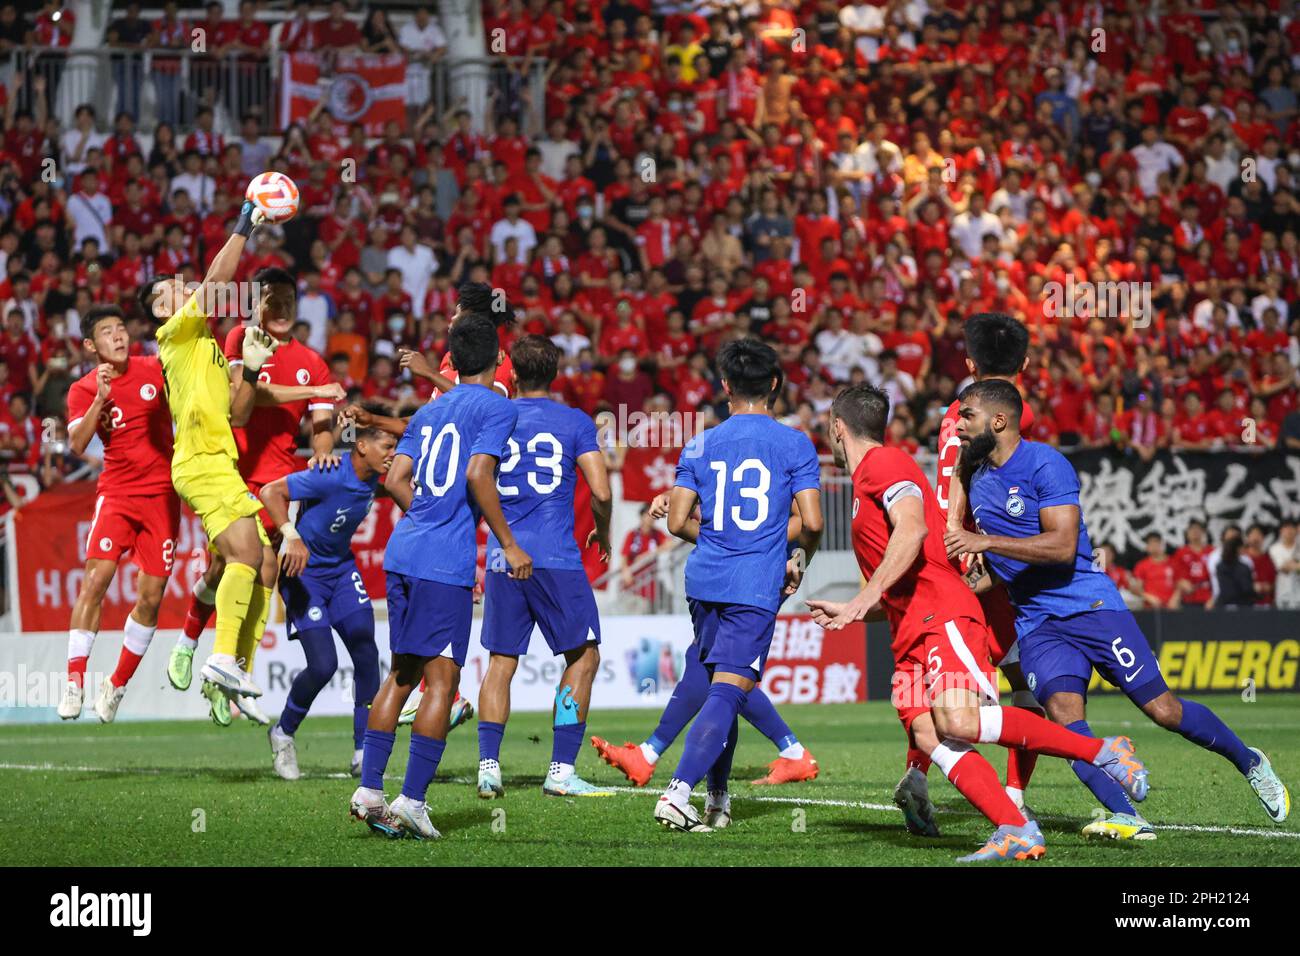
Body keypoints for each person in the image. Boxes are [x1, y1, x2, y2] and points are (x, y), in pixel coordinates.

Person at [810, 384, 1147, 862]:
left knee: (959, 721)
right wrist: (861, 608)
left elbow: (913, 528)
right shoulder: (865, 482)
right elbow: (903, 569)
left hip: (939, 617)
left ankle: (1102, 751)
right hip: (908, 631)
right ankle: (1015, 829)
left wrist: (862, 597)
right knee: (926, 734)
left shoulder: (884, 465)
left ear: (837, 426)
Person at [946, 379, 1291, 827]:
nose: (958, 423)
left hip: (1090, 607)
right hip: (1037, 623)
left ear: (998, 420)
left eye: (967, 415)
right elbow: (1008, 551)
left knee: (1164, 710)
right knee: (1067, 730)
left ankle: (1250, 762)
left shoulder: (1044, 464)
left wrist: (983, 539)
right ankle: (1129, 818)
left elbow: (1062, 547)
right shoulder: (975, 476)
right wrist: (983, 578)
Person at [349, 314, 531, 840]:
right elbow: (478, 473)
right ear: (499, 360)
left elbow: (397, 478)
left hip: (403, 550)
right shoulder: (499, 406)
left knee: (400, 674)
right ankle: (412, 800)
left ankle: (369, 790)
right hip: (443, 561)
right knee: (442, 681)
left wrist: (428, 517)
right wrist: (508, 543)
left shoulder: (428, 412)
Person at [651, 339, 823, 832]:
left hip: (703, 578)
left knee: (716, 688)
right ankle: (678, 791)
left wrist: (724, 535)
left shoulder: (700, 442)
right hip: (753, 583)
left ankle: (718, 800)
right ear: (774, 384)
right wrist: (795, 557)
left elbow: (677, 520)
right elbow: (812, 521)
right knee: (730, 689)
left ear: (725, 386)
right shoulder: (794, 443)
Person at [167, 267, 345, 726]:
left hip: (279, 486)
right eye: (271, 298)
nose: (280, 307)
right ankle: (193, 645)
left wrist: (323, 454)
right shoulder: (238, 340)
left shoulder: (314, 361)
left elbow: (321, 425)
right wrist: (310, 390)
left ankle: (234, 672)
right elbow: (241, 405)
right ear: (256, 303)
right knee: (228, 566)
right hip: (234, 473)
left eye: (288, 298)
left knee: (263, 571)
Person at [898, 312, 1045, 838]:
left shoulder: (950, 413)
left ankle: (917, 774)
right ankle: (1013, 799)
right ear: (1025, 364)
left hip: (940, 560)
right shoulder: (1010, 421)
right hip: (986, 562)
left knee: (945, 681)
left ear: (968, 363)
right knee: (1025, 680)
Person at [137, 196, 279, 725]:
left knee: (259, 564)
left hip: (221, 459)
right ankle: (222, 661)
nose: (183, 288)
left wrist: (251, 369)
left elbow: (240, 416)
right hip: (198, 462)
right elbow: (219, 280)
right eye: (171, 288)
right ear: (160, 308)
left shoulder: (213, 349)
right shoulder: (175, 332)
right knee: (245, 555)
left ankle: (230, 667)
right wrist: (247, 220)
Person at [592, 488, 821, 788]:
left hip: (757, 575)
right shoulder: (729, 454)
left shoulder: (771, 453)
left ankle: (791, 751)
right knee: (711, 662)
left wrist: (751, 542)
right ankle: (714, 780)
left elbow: (807, 519)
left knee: (723, 670)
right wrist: (671, 496)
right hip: (735, 573)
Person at [476, 335, 614, 798]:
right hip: (556, 558)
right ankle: (560, 771)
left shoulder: (497, 415)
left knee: (501, 663)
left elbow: (477, 480)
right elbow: (602, 491)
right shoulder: (574, 421)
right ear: (555, 374)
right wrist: (603, 531)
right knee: (583, 656)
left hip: (503, 554)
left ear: (511, 373)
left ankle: (489, 767)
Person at [57, 305, 179, 722]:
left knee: (151, 596)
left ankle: (116, 686)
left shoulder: (155, 367)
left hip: (162, 496)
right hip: (118, 495)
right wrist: (100, 402)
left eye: (122, 328)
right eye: (108, 332)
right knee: (96, 579)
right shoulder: (83, 388)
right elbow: (76, 444)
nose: (119, 336)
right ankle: (74, 682)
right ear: (91, 345)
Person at [259, 422, 397, 779]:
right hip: (303, 575)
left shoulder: (376, 477)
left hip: (341, 571)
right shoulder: (329, 474)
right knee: (323, 666)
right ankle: (283, 732)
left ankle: (363, 748)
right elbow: (270, 491)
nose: (393, 453)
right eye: (387, 447)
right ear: (362, 447)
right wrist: (290, 535)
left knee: (366, 650)